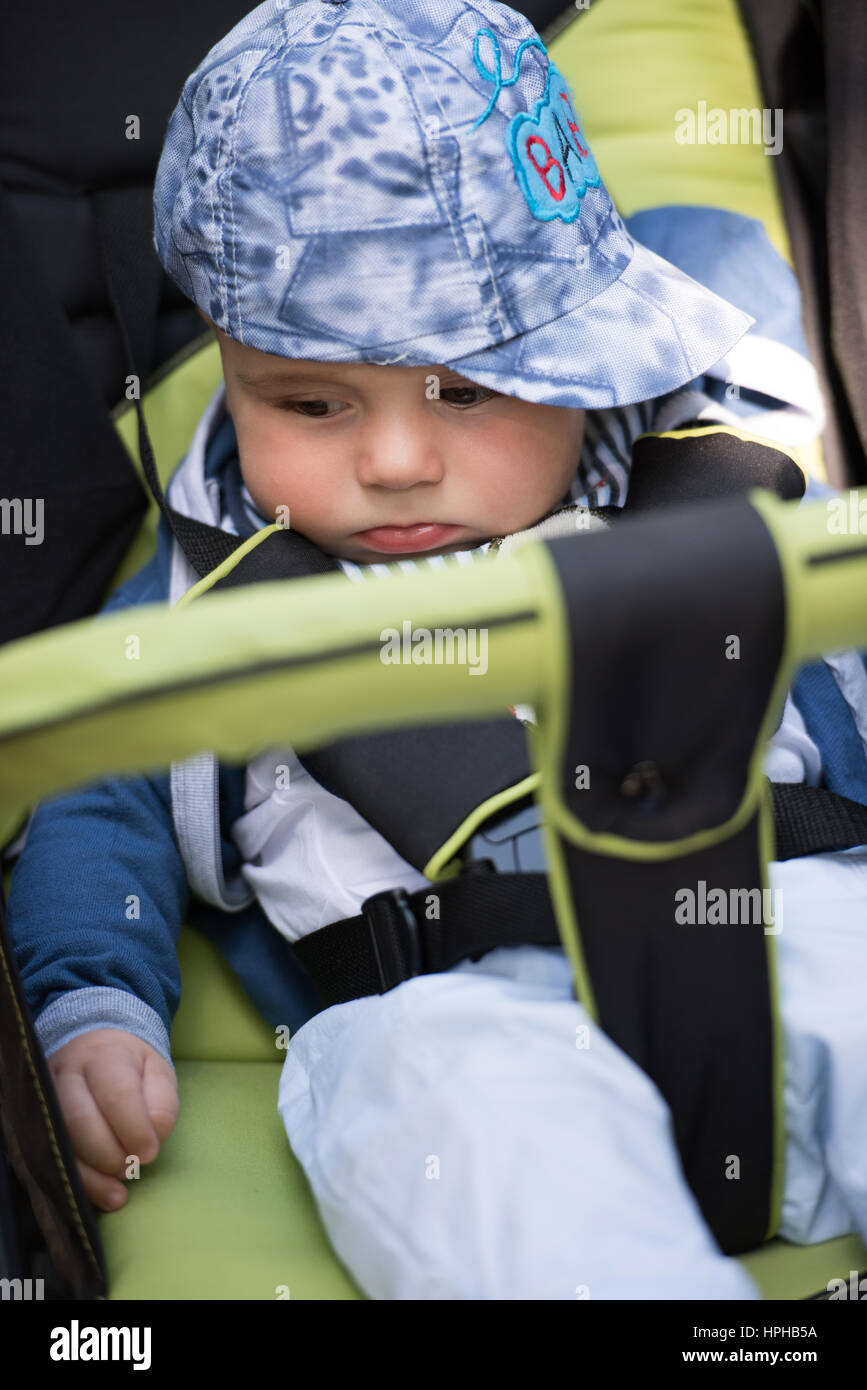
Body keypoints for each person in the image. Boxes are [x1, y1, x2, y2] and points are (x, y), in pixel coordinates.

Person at [7, 0, 866, 1299]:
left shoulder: (713, 465)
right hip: (449, 1014)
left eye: (470, 388)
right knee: (461, 1146)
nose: (397, 461)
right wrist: (92, 1006)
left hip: (790, 912)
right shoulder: (204, 585)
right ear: (232, 374)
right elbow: (91, 787)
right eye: (309, 401)